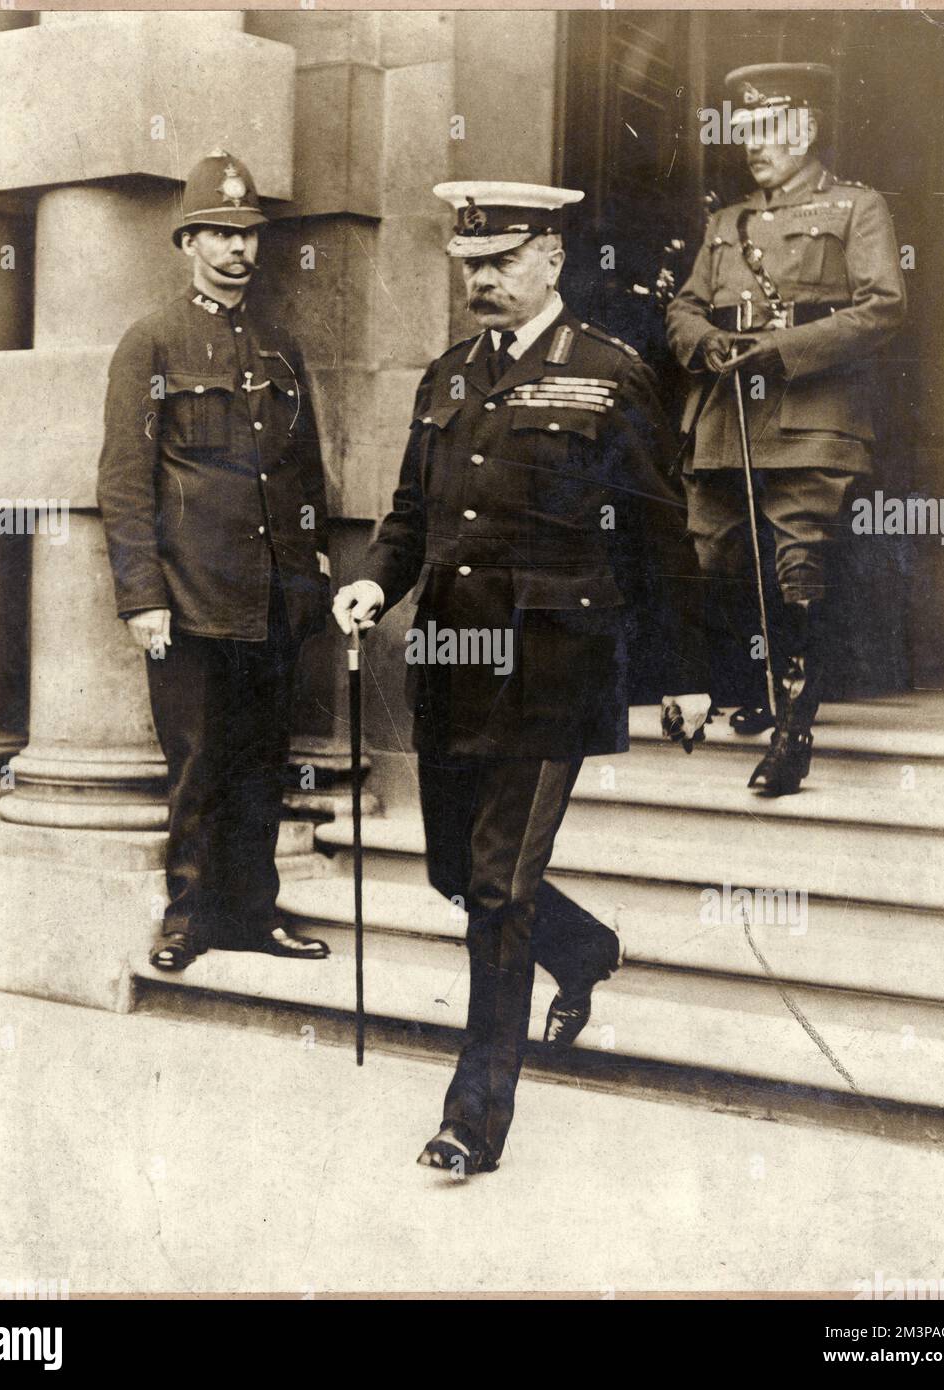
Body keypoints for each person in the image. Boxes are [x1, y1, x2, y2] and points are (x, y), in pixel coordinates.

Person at [332, 181, 710, 1176]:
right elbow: (411, 516)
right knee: (458, 873)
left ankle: (471, 1117)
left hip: (553, 668)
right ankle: (582, 950)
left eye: (499, 262)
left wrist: (683, 672)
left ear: (551, 259)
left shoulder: (609, 376)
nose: (482, 281)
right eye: (469, 266)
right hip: (456, 660)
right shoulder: (446, 377)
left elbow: (659, 539)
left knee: (498, 887)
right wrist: (374, 583)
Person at [97, 149, 331, 970]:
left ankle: (255, 913)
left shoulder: (278, 344)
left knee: (263, 761)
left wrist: (310, 576)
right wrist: (141, 597)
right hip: (191, 598)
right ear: (187, 241)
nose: (239, 250)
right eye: (220, 234)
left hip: (271, 598)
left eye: (248, 235)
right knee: (196, 762)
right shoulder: (152, 342)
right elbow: (126, 482)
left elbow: (303, 472)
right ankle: (189, 916)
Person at [666, 63, 906, 794]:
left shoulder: (856, 207)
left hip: (810, 412)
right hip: (727, 414)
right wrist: (701, 339)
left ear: (803, 130)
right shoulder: (725, 222)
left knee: (798, 565)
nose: (751, 148)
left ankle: (794, 728)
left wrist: (785, 349)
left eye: (766, 132)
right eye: (743, 134)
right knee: (716, 555)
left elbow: (881, 306)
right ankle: (752, 687)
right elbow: (683, 305)